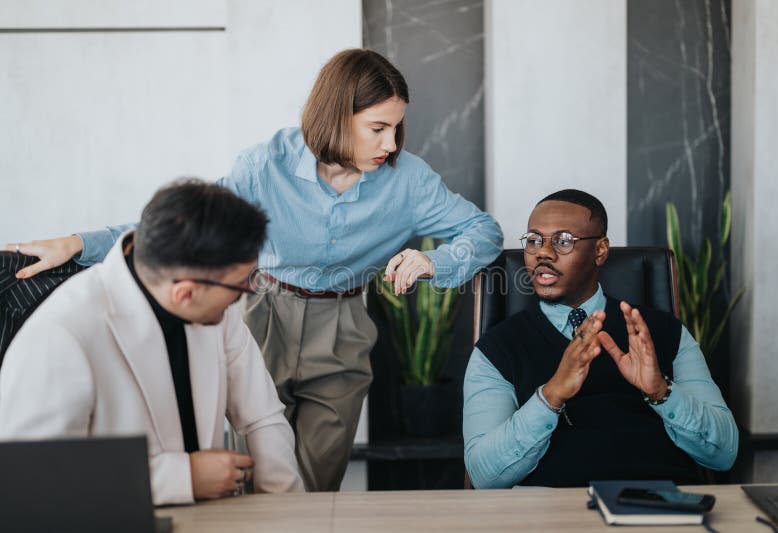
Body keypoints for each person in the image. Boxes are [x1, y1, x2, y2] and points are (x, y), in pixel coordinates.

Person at [5, 49, 503, 491]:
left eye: (397, 127)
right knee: (255, 464)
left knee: (318, 476)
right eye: (378, 127)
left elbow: (484, 231)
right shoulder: (265, 164)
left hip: (345, 322)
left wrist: (432, 260)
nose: (392, 143)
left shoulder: (410, 181)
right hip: (259, 312)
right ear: (336, 116)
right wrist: (79, 243)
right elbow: (189, 229)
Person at [0, 180, 304, 504]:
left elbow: (263, 417)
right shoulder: (61, 332)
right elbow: (32, 475)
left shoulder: (213, 305)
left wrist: (285, 507)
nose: (244, 293)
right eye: (241, 286)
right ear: (185, 293)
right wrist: (182, 477)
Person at [462, 189, 738, 488]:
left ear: (600, 250)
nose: (543, 252)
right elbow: (483, 476)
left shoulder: (664, 332)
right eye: (534, 240)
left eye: (563, 241)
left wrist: (661, 392)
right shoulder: (496, 349)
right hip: (546, 514)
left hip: (658, 508)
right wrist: (551, 395)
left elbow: (724, 453)